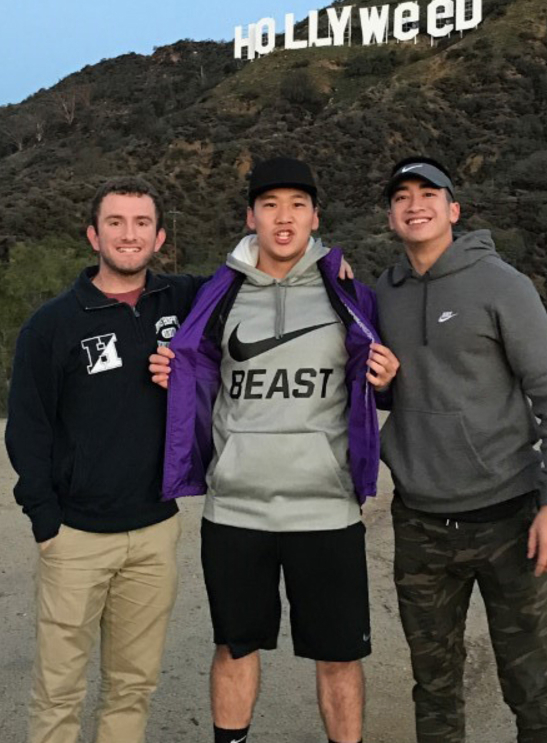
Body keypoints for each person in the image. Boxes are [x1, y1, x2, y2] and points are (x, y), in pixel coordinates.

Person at [149, 157, 399, 743]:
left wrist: (389, 380)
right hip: (236, 508)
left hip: (326, 507)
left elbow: (383, 389)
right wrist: (175, 372)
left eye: (296, 206)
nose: (283, 219)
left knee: (338, 655)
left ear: (316, 217)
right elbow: (191, 361)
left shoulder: (351, 297)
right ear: (250, 216)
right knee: (235, 648)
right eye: (269, 206)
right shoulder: (219, 295)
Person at [373, 156, 547, 743]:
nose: (414, 204)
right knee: (434, 684)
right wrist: (384, 385)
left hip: (509, 516)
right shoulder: (382, 297)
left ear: (453, 210)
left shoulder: (501, 285)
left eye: (428, 193)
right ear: (391, 216)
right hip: (420, 523)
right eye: (401, 197)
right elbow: (411, 392)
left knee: (530, 681)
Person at [4, 177, 204, 743]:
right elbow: (28, 427)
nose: (128, 234)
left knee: (132, 686)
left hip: (156, 531)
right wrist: (46, 521)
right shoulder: (53, 324)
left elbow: (255, 283)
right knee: (59, 691)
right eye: (115, 222)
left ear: (160, 236)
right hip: (76, 535)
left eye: (142, 223)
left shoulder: (182, 300)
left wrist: (324, 268)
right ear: (94, 234)